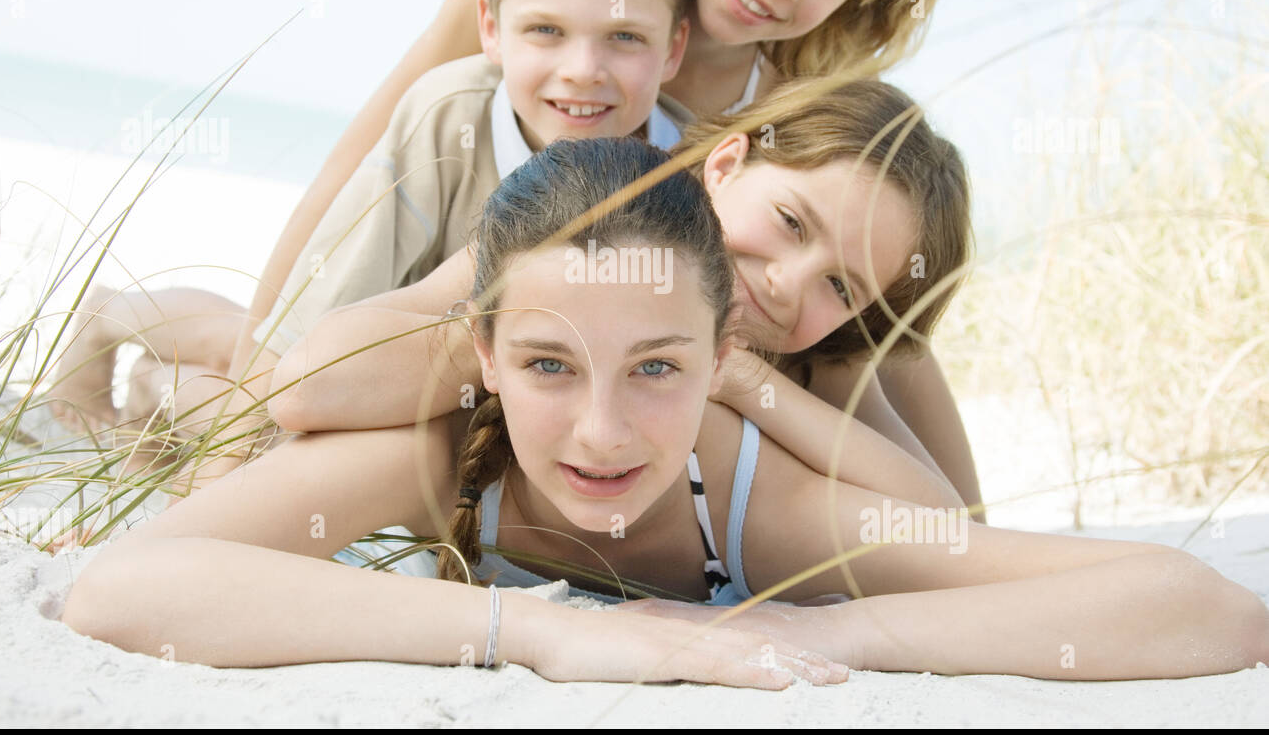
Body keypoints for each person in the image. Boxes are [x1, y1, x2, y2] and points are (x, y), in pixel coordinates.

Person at [59, 138, 1269, 686]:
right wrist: (528, 631)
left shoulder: (748, 493)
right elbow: (118, 588)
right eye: (546, 365)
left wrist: (829, 636)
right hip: (326, 399)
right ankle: (149, 353)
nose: (599, 434)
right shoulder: (442, 447)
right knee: (238, 408)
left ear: (721, 357)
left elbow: (1199, 602)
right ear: (480, 352)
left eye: (654, 370)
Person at [44, 0, 693, 446]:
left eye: (624, 37)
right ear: (491, 29)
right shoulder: (448, 118)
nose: (583, 69)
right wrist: (201, 486)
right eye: (546, 30)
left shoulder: (690, 167)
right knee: (251, 395)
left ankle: (142, 352)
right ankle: (134, 349)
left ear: (674, 48)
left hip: (462, 377)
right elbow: (299, 339)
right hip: (370, 336)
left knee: (232, 349)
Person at [269, 76, 976, 521]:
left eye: (840, 284)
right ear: (727, 165)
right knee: (215, 355)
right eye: (792, 222)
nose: (788, 283)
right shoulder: (592, 219)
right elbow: (303, 385)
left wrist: (740, 377)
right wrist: (537, 340)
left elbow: (946, 522)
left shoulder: (816, 357)